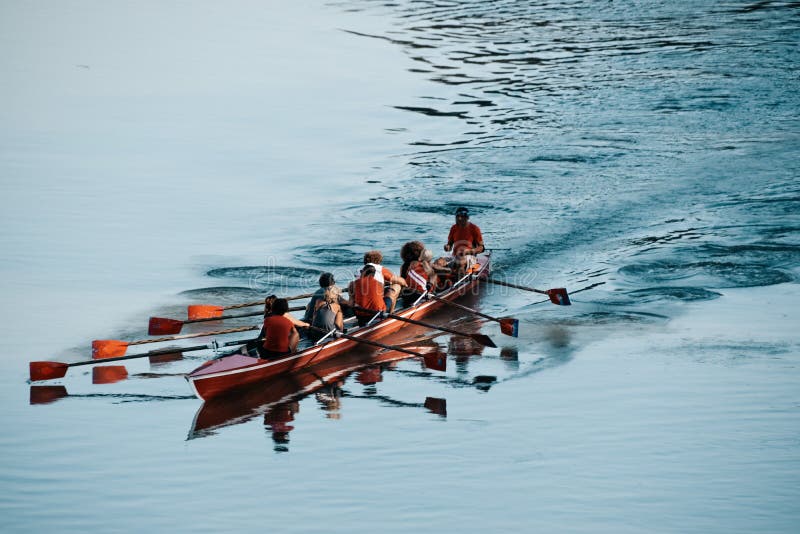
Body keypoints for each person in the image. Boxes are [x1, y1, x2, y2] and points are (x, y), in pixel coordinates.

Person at [303, 272, 346, 341]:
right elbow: (346, 303)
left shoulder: (317, 292)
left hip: (311, 323)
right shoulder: (332, 291)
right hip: (325, 330)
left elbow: (310, 311)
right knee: (339, 313)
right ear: (332, 282)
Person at [444, 206, 484, 277]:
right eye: (457, 216)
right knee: (438, 262)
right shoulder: (454, 228)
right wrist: (447, 247)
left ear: (467, 218)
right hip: (455, 256)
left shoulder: (474, 229)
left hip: (470, 257)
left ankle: (462, 277)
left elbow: (482, 248)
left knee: (460, 262)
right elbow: (450, 245)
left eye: (461, 217)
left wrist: (468, 251)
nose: (459, 219)